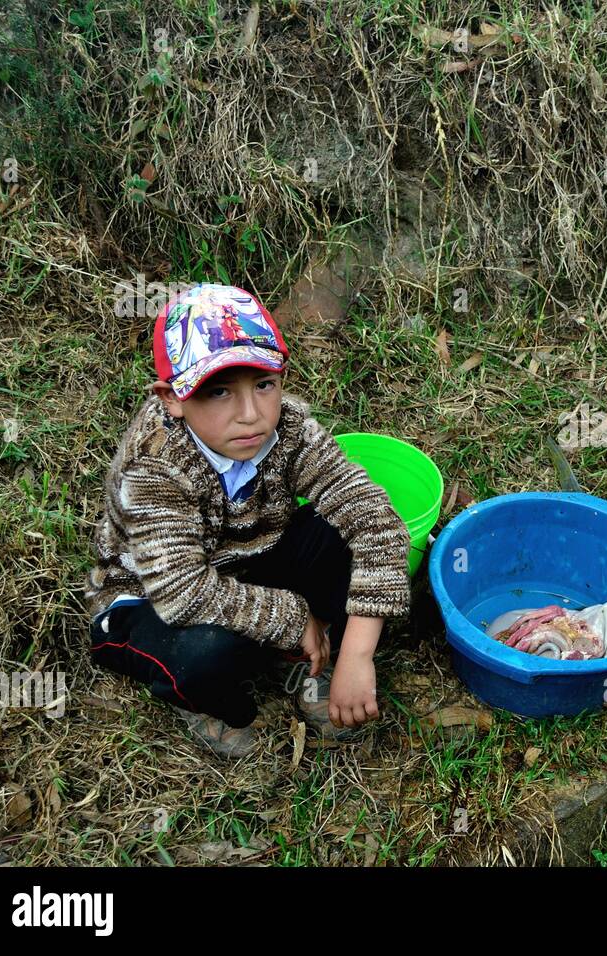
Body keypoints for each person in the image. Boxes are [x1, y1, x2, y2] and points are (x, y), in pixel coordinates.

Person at [84, 283, 410, 758]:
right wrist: (293, 616)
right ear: (172, 398)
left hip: (245, 562)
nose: (251, 415)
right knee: (206, 656)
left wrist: (358, 655)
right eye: (218, 392)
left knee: (338, 531)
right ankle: (205, 701)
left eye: (263, 385)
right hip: (150, 598)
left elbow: (375, 519)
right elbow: (182, 593)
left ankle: (310, 657)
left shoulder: (289, 429)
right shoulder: (153, 466)